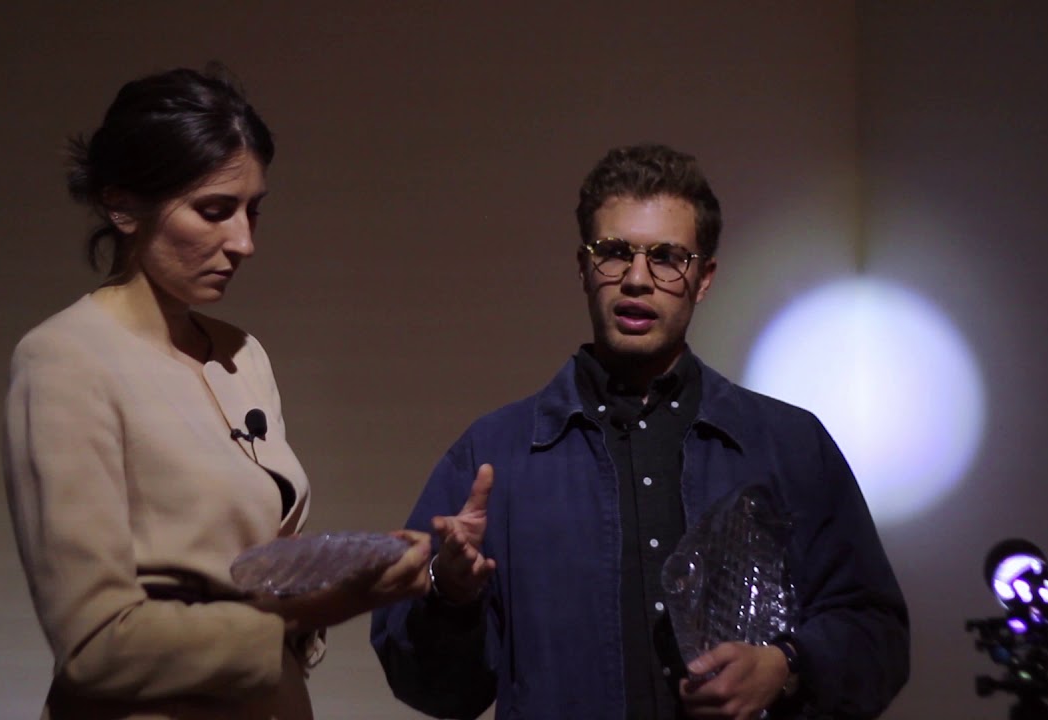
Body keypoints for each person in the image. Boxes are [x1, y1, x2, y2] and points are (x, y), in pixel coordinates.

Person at [371, 144, 909, 719]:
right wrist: (452, 596)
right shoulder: (494, 456)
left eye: (667, 257)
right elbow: (430, 687)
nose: (636, 279)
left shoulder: (789, 445)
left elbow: (878, 635)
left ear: (702, 278)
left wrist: (786, 666)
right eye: (614, 252)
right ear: (583, 268)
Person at [3, 65, 430, 720]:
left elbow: (265, 570)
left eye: (253, 210)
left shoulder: (242, 355)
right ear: (122, 206)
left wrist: (373, 570)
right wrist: (312, 610)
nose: (244, 242)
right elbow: (94, 644)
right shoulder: (65, 361)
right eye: (214, 210)